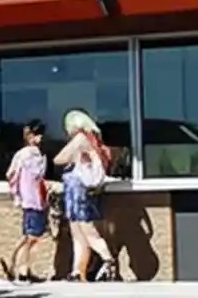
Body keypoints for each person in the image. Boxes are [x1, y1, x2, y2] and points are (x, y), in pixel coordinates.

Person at [54, 109, 118, 282]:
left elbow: (58, 159)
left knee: (87, 230)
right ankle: (77, 270)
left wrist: (72, 155)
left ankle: (108, 261)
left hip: (78, 193)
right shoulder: (93, 140)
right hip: (77, 193)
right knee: (79, 235)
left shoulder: (81, 140)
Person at [2, 119, 48, 284]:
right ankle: (14, 262)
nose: (39, 138)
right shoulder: (27, 154)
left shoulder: (36, 154)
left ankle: (24, 269)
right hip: (31, 198)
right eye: (36, 134)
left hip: (36, 198)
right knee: (31, 236)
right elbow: (12, 173)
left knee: (32, 235)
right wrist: (20, 191)